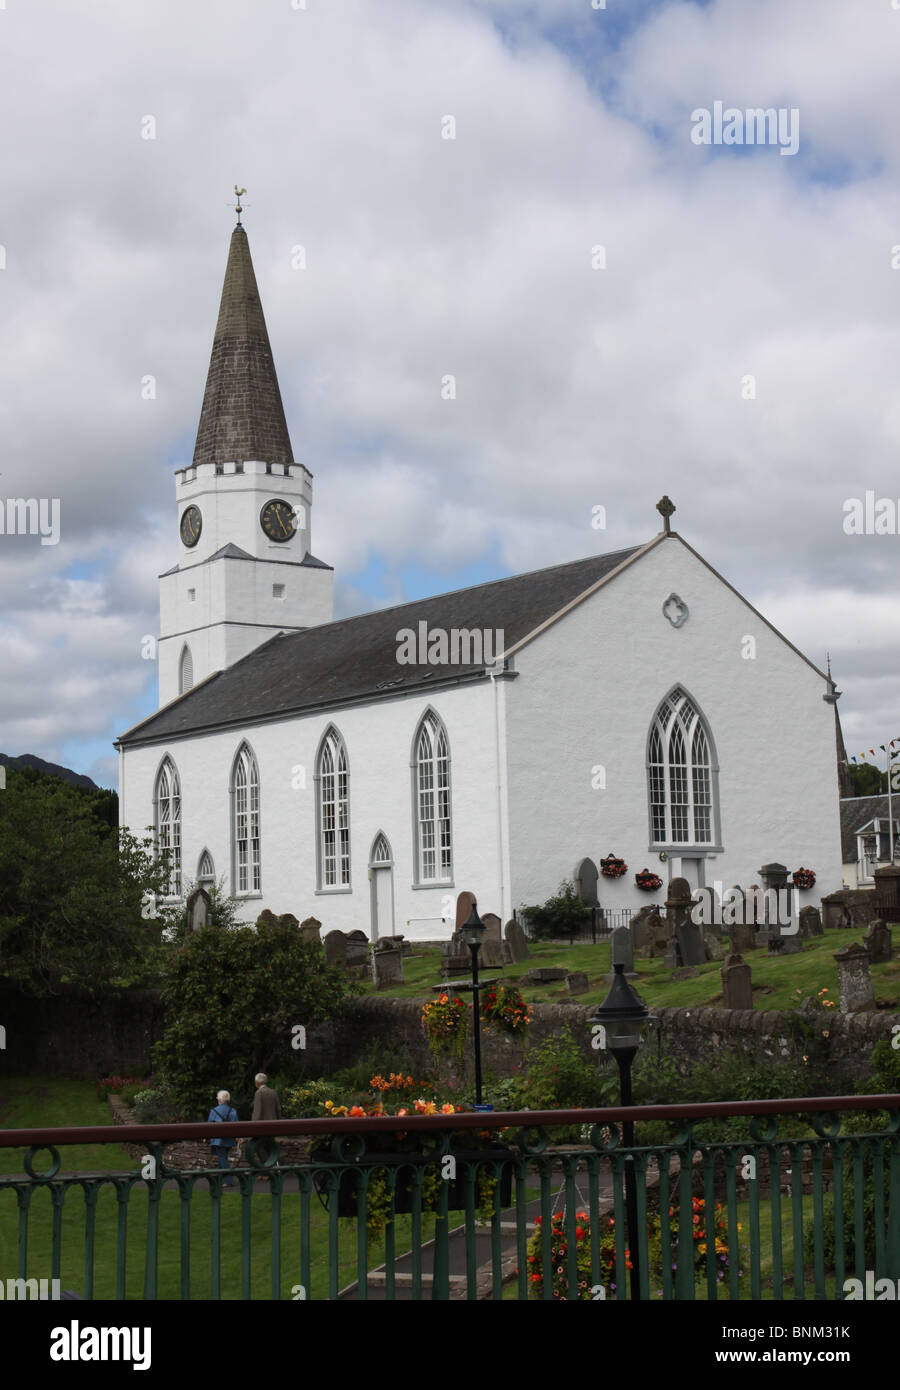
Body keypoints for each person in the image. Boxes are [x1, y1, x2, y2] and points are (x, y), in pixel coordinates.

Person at [208, 1089, 238, 1188]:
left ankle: (229, 1181)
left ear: (219, 1099)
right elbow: (237, 1126)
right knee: (223, 1158)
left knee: (223, 1159)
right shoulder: (233, 1111)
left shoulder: (214, 1111)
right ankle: (217, 1177)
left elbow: (208, 1126)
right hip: (229, 1139)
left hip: (218, 1140)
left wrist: (206, 1137)